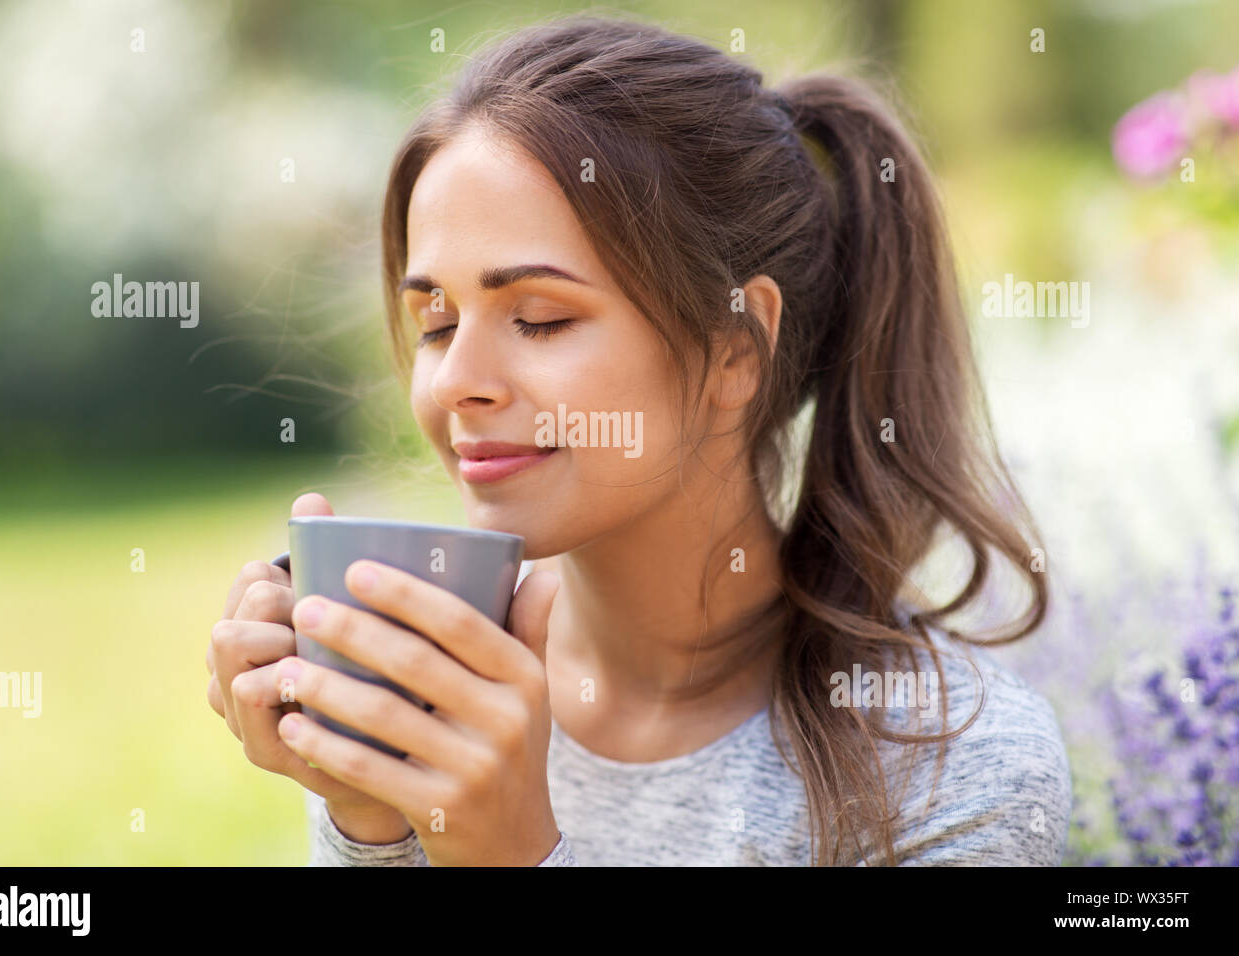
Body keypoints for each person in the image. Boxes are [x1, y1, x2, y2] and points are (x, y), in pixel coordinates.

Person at [206, 14, 1071, 866]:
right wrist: (370, 818)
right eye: (436, 321)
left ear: (737, 348)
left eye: (539, 318)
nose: (453, 380)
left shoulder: (954, 765)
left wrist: (513, 854)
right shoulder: (424, 699)